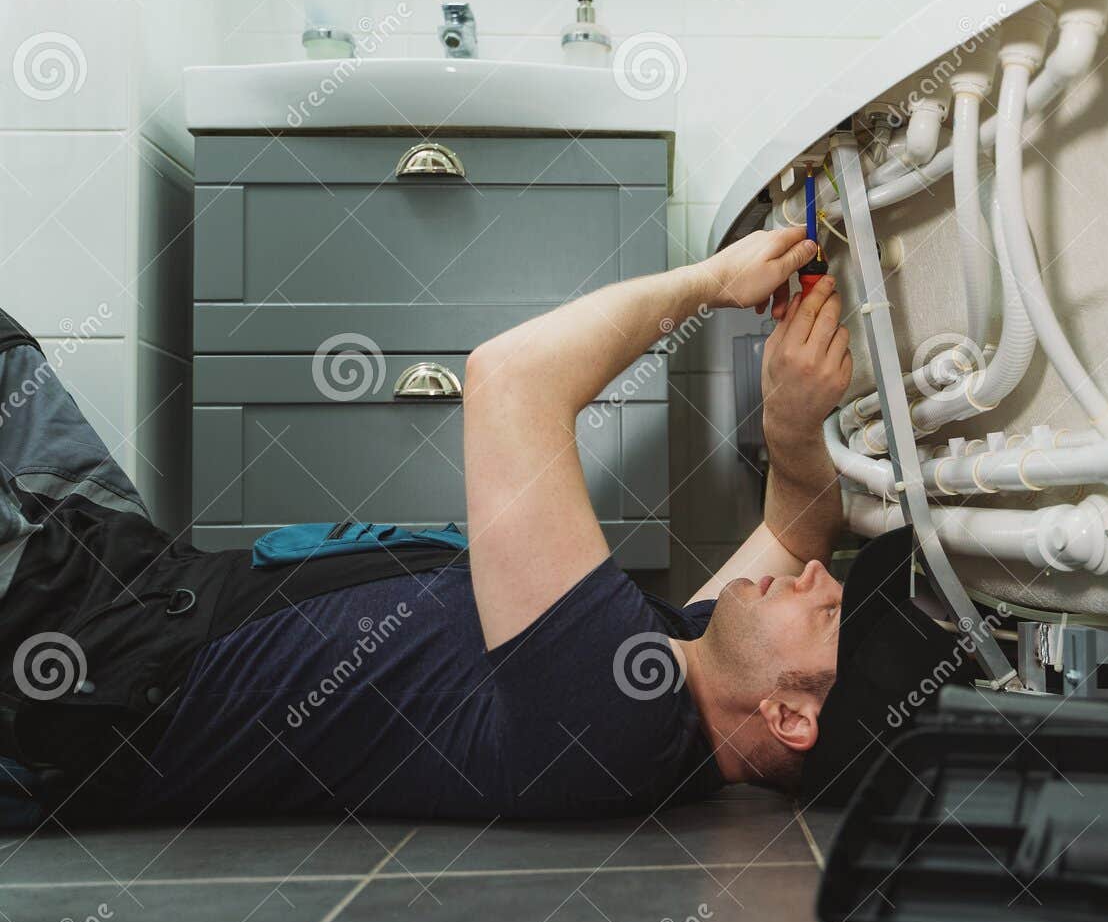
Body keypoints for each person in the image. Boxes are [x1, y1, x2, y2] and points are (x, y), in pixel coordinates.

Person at [0, 226, 855, 827]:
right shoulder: (677, 662)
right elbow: (799, 520)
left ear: (785, 718)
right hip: (131, 574)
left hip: (86, 664)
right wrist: (790, 414)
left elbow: (510, 377)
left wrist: (710, 283)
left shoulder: (614, 719)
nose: (821, 575)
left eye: (829, 610)